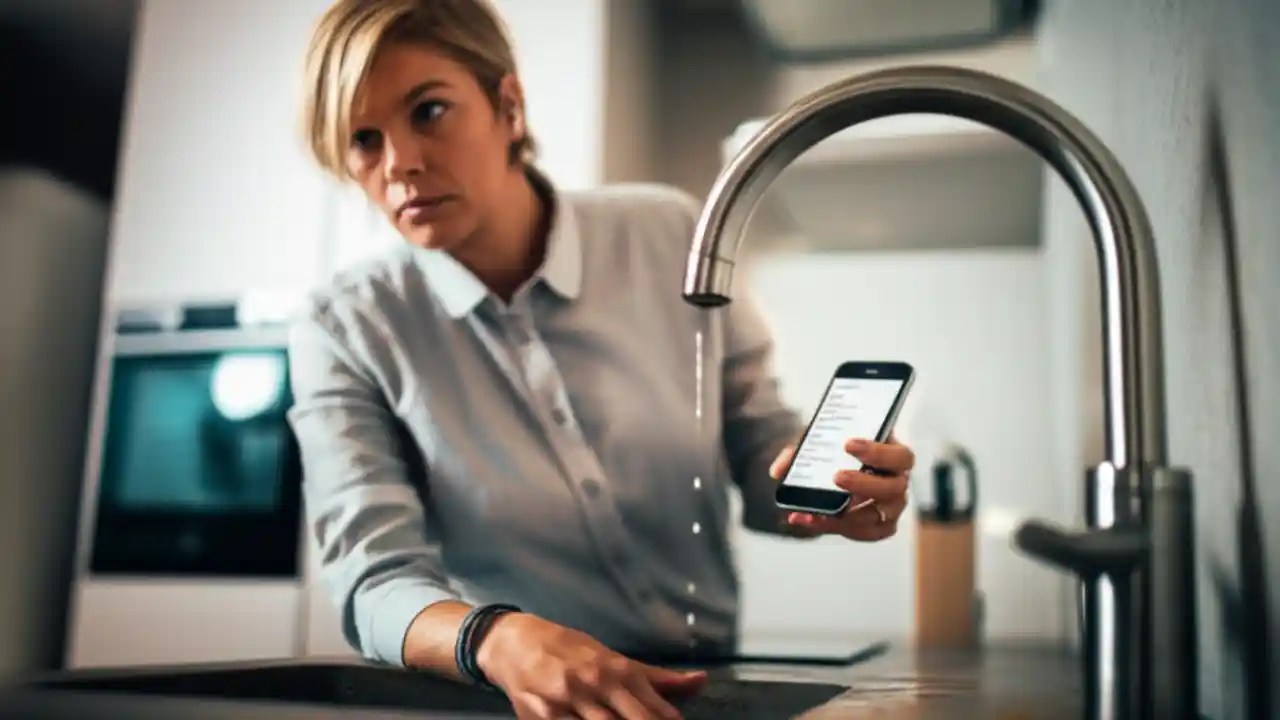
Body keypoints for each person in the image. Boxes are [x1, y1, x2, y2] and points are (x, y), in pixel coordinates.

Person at [288, 1, 916, 718]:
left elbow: (758, 450)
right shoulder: (344, 326)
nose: (400, 162)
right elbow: (373, 581)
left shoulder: (672, 234)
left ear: (508, 106)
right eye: (363, 139)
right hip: (514, 699)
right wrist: (497, 638)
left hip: (701, 690)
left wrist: (835, 490)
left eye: (428, 111)